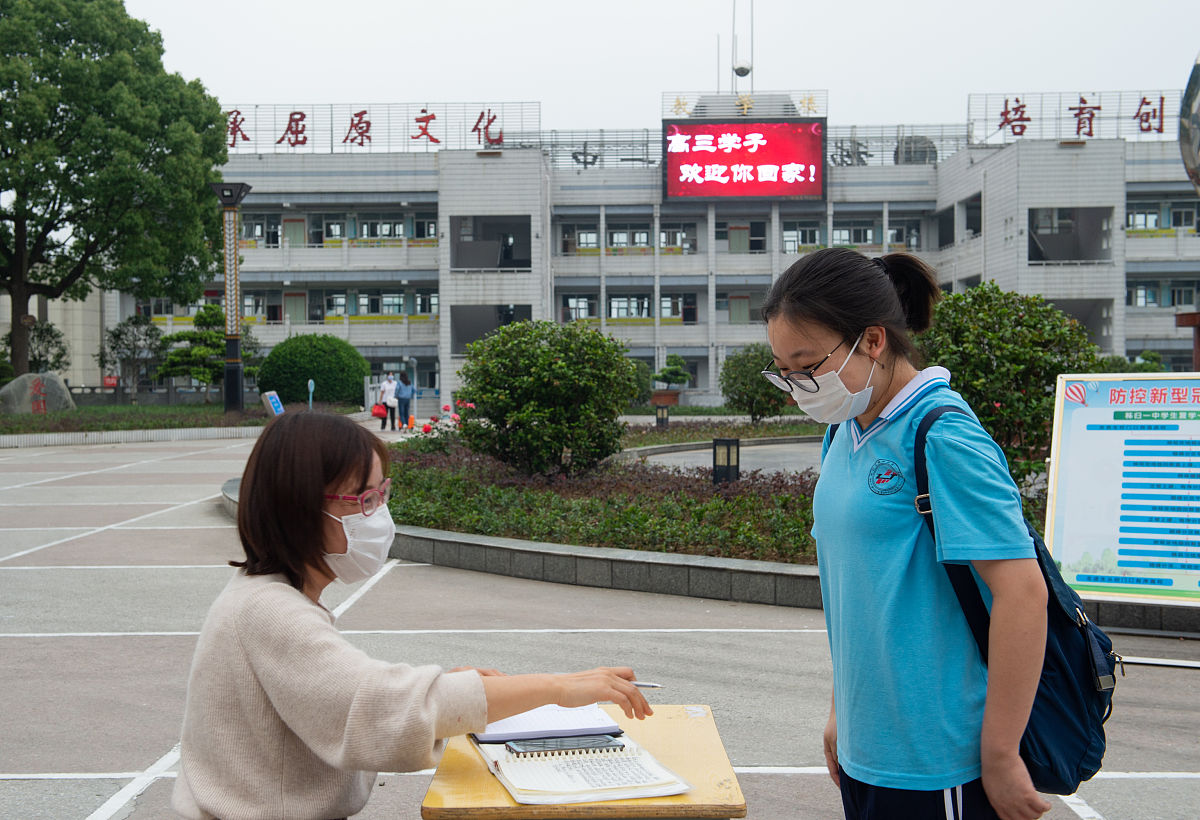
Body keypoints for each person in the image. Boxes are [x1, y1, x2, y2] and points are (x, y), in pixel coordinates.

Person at [172, 412, 650, 820]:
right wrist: (558, 689)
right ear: (299, 509)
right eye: (363, 501)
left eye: (382, 494)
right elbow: (377, 707)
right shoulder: (268, 611)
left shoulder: (270, 596)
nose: (379, 515)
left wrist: (460, 690)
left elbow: (350, 694)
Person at [760, 248, 1050, 820]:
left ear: (872, 340)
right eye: (783, 371)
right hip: (867, 749)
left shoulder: (942, 435)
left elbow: (1023, 593)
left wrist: (1000, 753)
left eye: (808, 365)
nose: (797, 387)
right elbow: (863, 591)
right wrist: (843, 711)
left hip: (937, 760)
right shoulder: (845, 431)